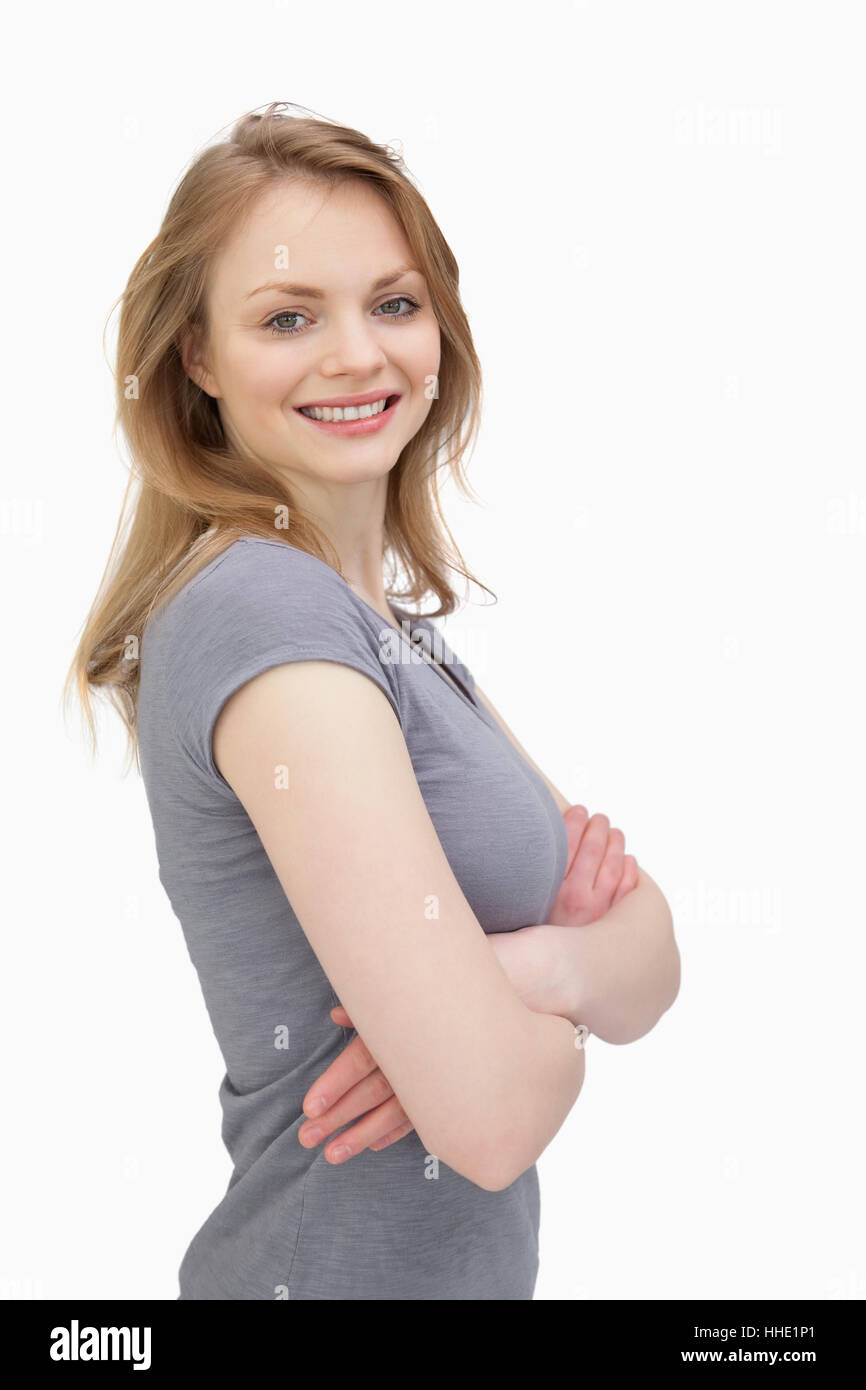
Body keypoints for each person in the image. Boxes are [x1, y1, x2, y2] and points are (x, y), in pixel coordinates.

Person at [65, 101, 680, 1300]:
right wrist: (543, 996)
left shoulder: (387, 637)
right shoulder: (264, 618)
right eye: (288, 317)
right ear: (196, 357)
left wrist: (522, 977)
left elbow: (651, 956)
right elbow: (492, 1117)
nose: (358, 354)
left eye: (392, 304)